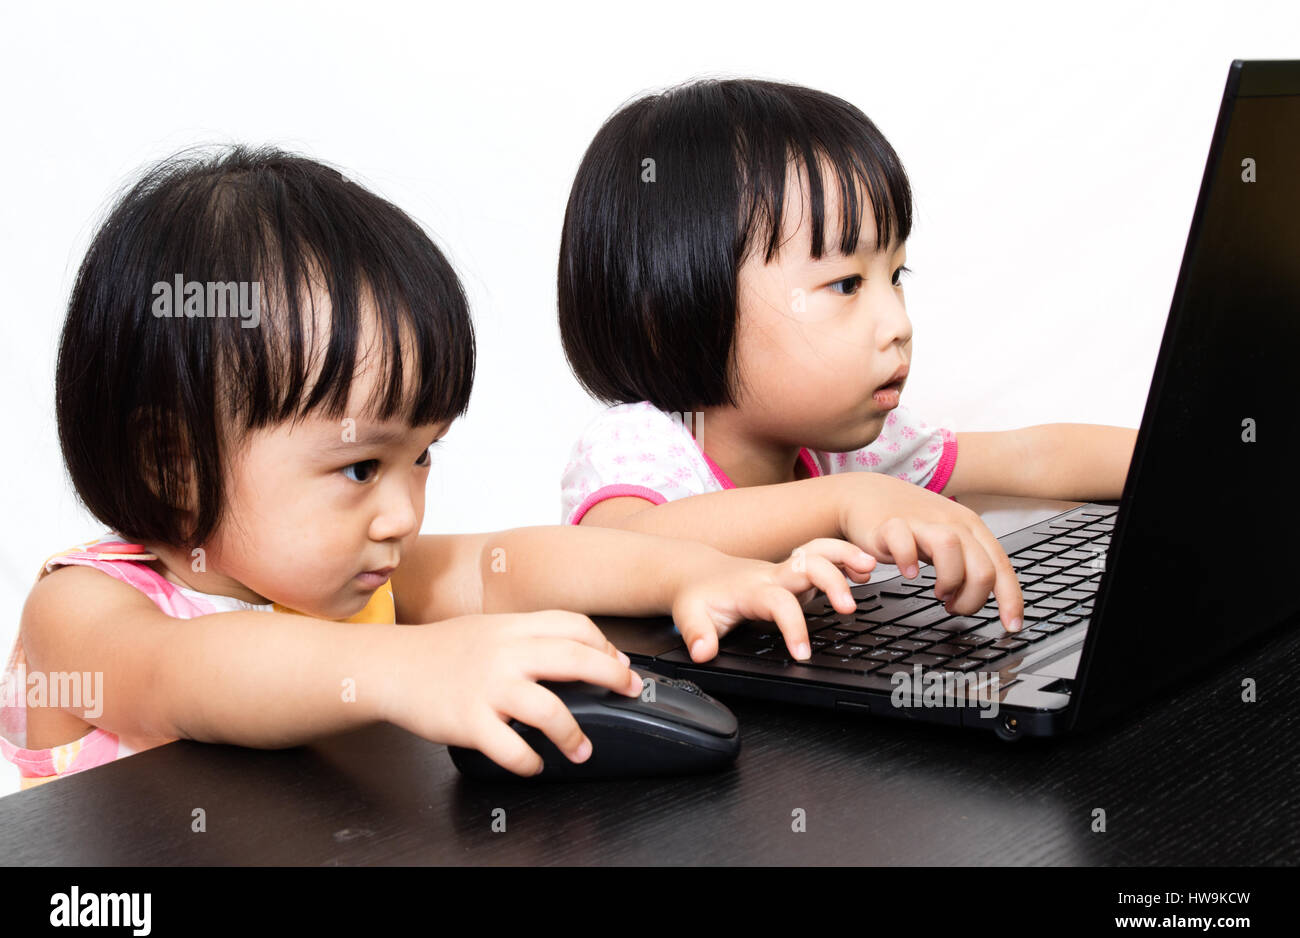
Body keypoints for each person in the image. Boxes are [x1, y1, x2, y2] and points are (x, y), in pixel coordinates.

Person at [0, 145, 877, 790]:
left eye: (420, 456)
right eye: (358, 468)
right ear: (175, 466)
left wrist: (699, 574)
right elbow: (186, 676)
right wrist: (411, 668)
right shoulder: (82, 614)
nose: (402, 514)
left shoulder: (349, 573)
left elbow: (513, 563)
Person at [558, 77, 1136, 630]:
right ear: (678, 305)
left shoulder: (849, 454)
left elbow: (1032, 456)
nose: (899, 324)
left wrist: (1193, 448)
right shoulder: (645, 445)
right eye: (846, 284)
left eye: (896, 274)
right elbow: (612, 551)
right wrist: (845, 502)